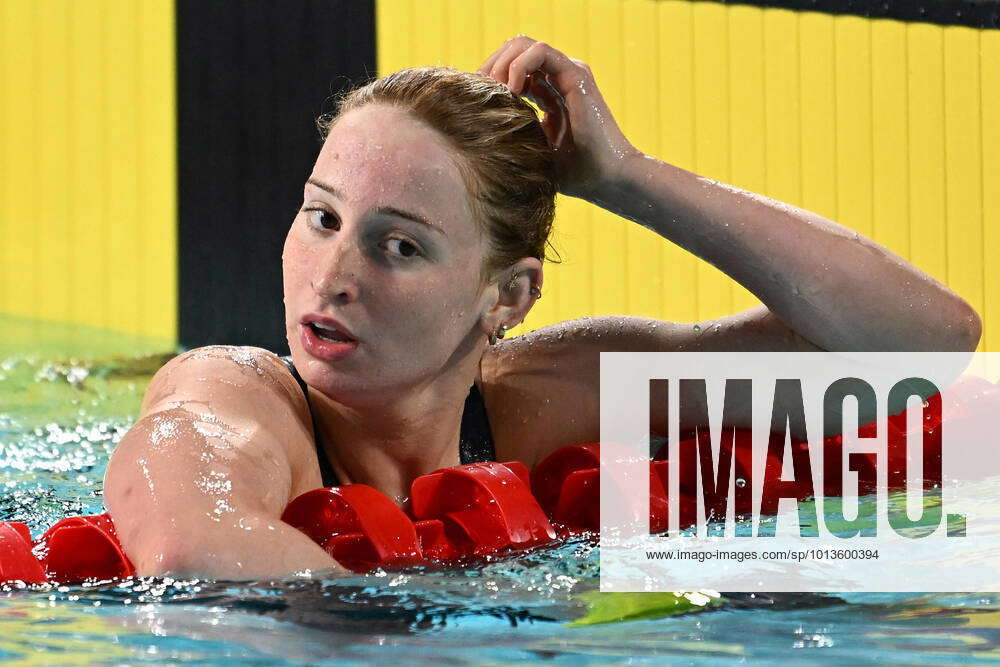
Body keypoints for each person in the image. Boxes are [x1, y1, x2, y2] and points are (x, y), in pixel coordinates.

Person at [103, 37, 981, 580]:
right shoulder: (236, 394)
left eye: (398, 245)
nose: (332, 275)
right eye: (321, 215)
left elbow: (919, 348)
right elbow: (188, 547)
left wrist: (630, 178)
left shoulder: (539, 397)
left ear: (508, 296)